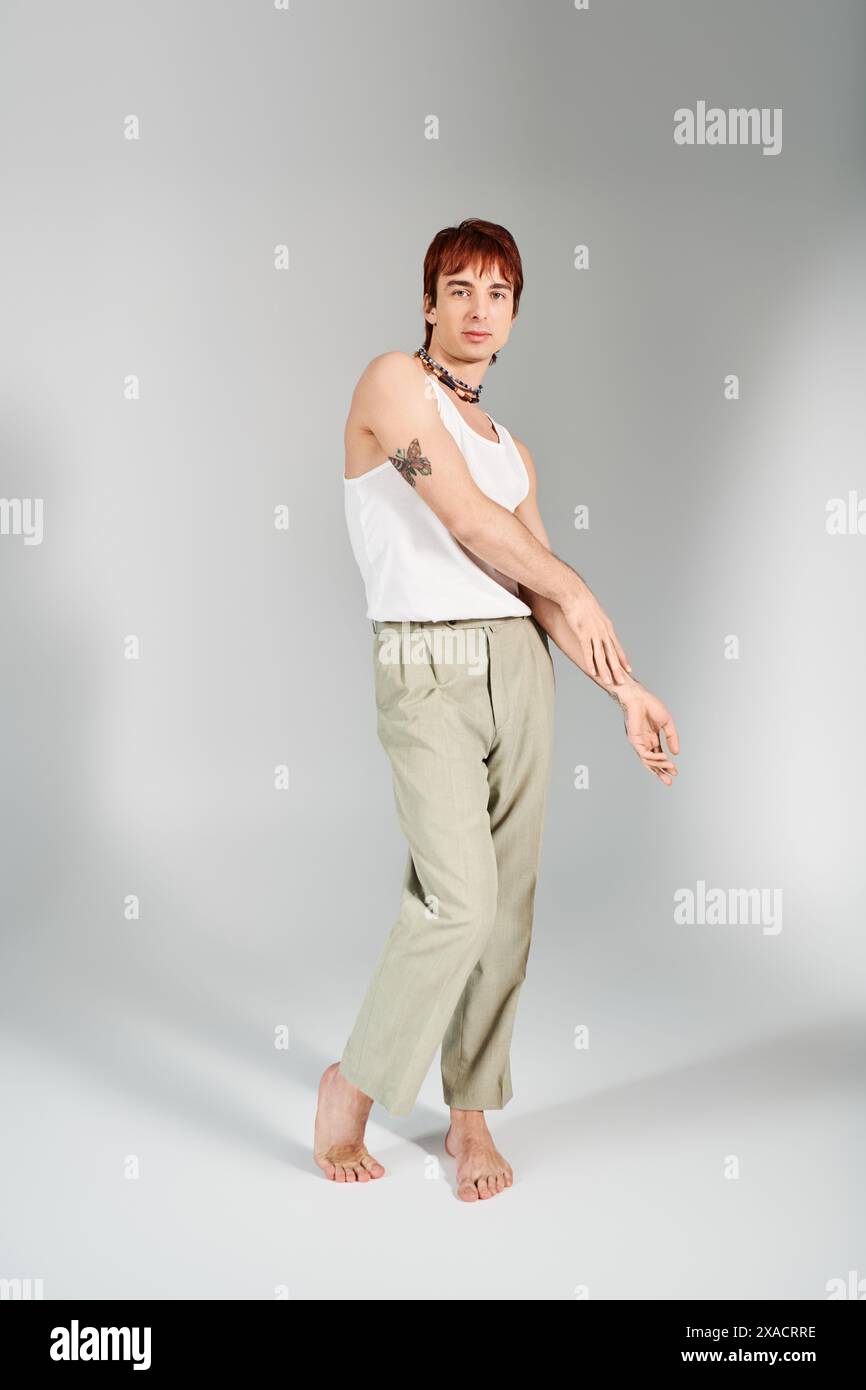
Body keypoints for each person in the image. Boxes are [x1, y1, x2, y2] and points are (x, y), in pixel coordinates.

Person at [314, 218, 680, 1201]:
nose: (478, 310)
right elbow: (467, 525)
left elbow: (540, 592)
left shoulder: (507, 445)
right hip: (425, 666)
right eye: (460, 289)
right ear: (428, 302)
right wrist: (581, 589)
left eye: (498, 295)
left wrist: (624, 690)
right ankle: (353, 1081)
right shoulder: (392, 384)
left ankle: (469, 1115)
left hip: (518, 671)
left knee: (503, 913)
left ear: (513, 316)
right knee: (456, 899)